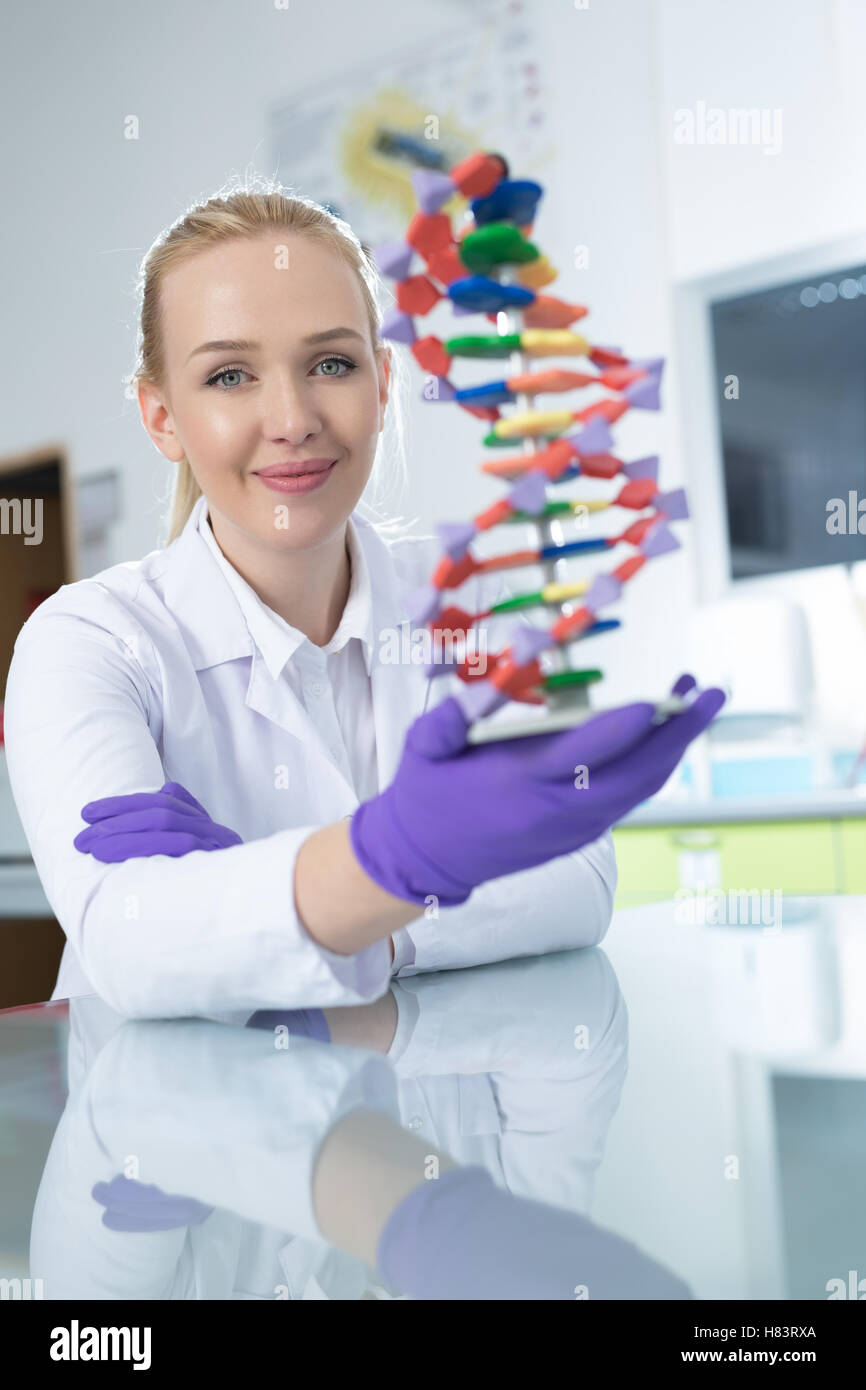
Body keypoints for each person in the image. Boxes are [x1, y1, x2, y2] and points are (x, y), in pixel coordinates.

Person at [3, 179, 724, 1020]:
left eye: (332, 364)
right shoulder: (87, 639)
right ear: (162, 417)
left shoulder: (473, 604)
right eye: (230, 375)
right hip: (170, 1133)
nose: (294, 417)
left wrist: (329, 901)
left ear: (383, 384)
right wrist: (393, 864)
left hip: (418, 1117)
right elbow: (128, 941)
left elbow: (577, 882)